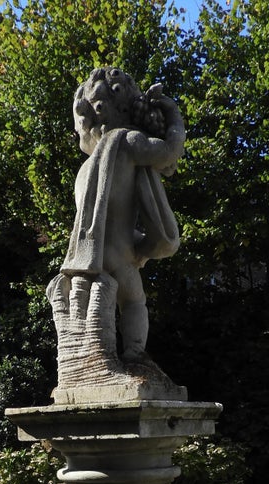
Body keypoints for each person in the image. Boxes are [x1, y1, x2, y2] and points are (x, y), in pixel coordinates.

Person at [60, 66, 186, 362]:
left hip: (84, 257)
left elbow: (101, 214)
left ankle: (94, 360)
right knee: (133, 301)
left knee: (93, 317)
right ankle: (134, 354)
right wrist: (171, 112)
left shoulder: (83, 171)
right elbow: (170, 150)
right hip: (119, 253)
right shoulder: (128, 143)